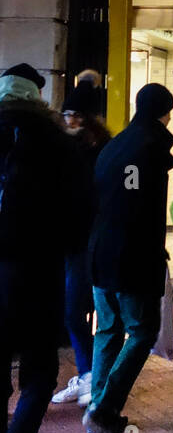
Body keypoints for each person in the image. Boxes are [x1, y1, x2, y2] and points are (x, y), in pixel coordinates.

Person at [0, 63, 90, 433]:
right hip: (38, 279)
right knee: (39, 377)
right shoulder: (60, 146)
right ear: (39, 96)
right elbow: (79, 221)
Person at [84, 83, 173, 433]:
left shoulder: (116, 143)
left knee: (108, 329)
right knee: (141, 331)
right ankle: (106, 407)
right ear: (164, 112)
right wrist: (155, 255)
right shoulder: (148, 148)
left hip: (100, 253)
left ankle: (96, 405)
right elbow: (142, 210)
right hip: (130, 257)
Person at [51, 77, 112, 409]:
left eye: (76, 114)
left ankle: (92, 376)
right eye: (66, 115)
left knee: (79, 311)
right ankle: (91, 375)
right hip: (72, 241)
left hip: (89, 242)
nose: (70, 121)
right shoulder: (65, 148)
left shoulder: (99, 150)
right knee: (76, 311)